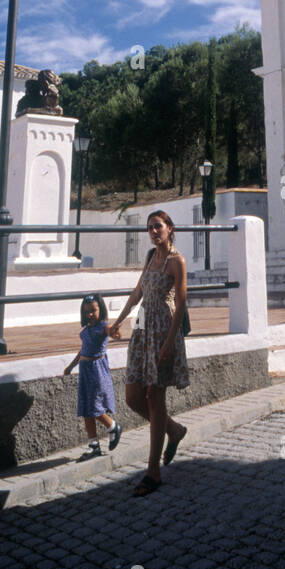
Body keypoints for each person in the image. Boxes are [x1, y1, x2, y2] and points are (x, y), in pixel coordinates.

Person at [110, 211, 189, 495]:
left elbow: (180, 304)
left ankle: (152, 472)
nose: (154, 231)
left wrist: (169, 344)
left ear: (170, 228)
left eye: (158, 226)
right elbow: (137, 293)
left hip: (162, 333)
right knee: (133, 397)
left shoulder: (176, 261)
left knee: (155, 398)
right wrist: (118, 320)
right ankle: (174, 430)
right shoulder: (148, 257)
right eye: (150, 228)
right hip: (142, 331)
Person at [64, 294, 122, 460]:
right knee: (86, 409)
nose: (90, 314)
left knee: (95, 407)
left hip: (96, 370)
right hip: (84, 369)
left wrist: (115, 333)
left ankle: (113, 426)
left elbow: (111, 331)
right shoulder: (87, 331)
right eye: (87, 311)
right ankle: (93, 445)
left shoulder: (103, 326)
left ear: (101, 310)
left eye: (93, 310)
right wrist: (71, 366)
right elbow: (83, 351)